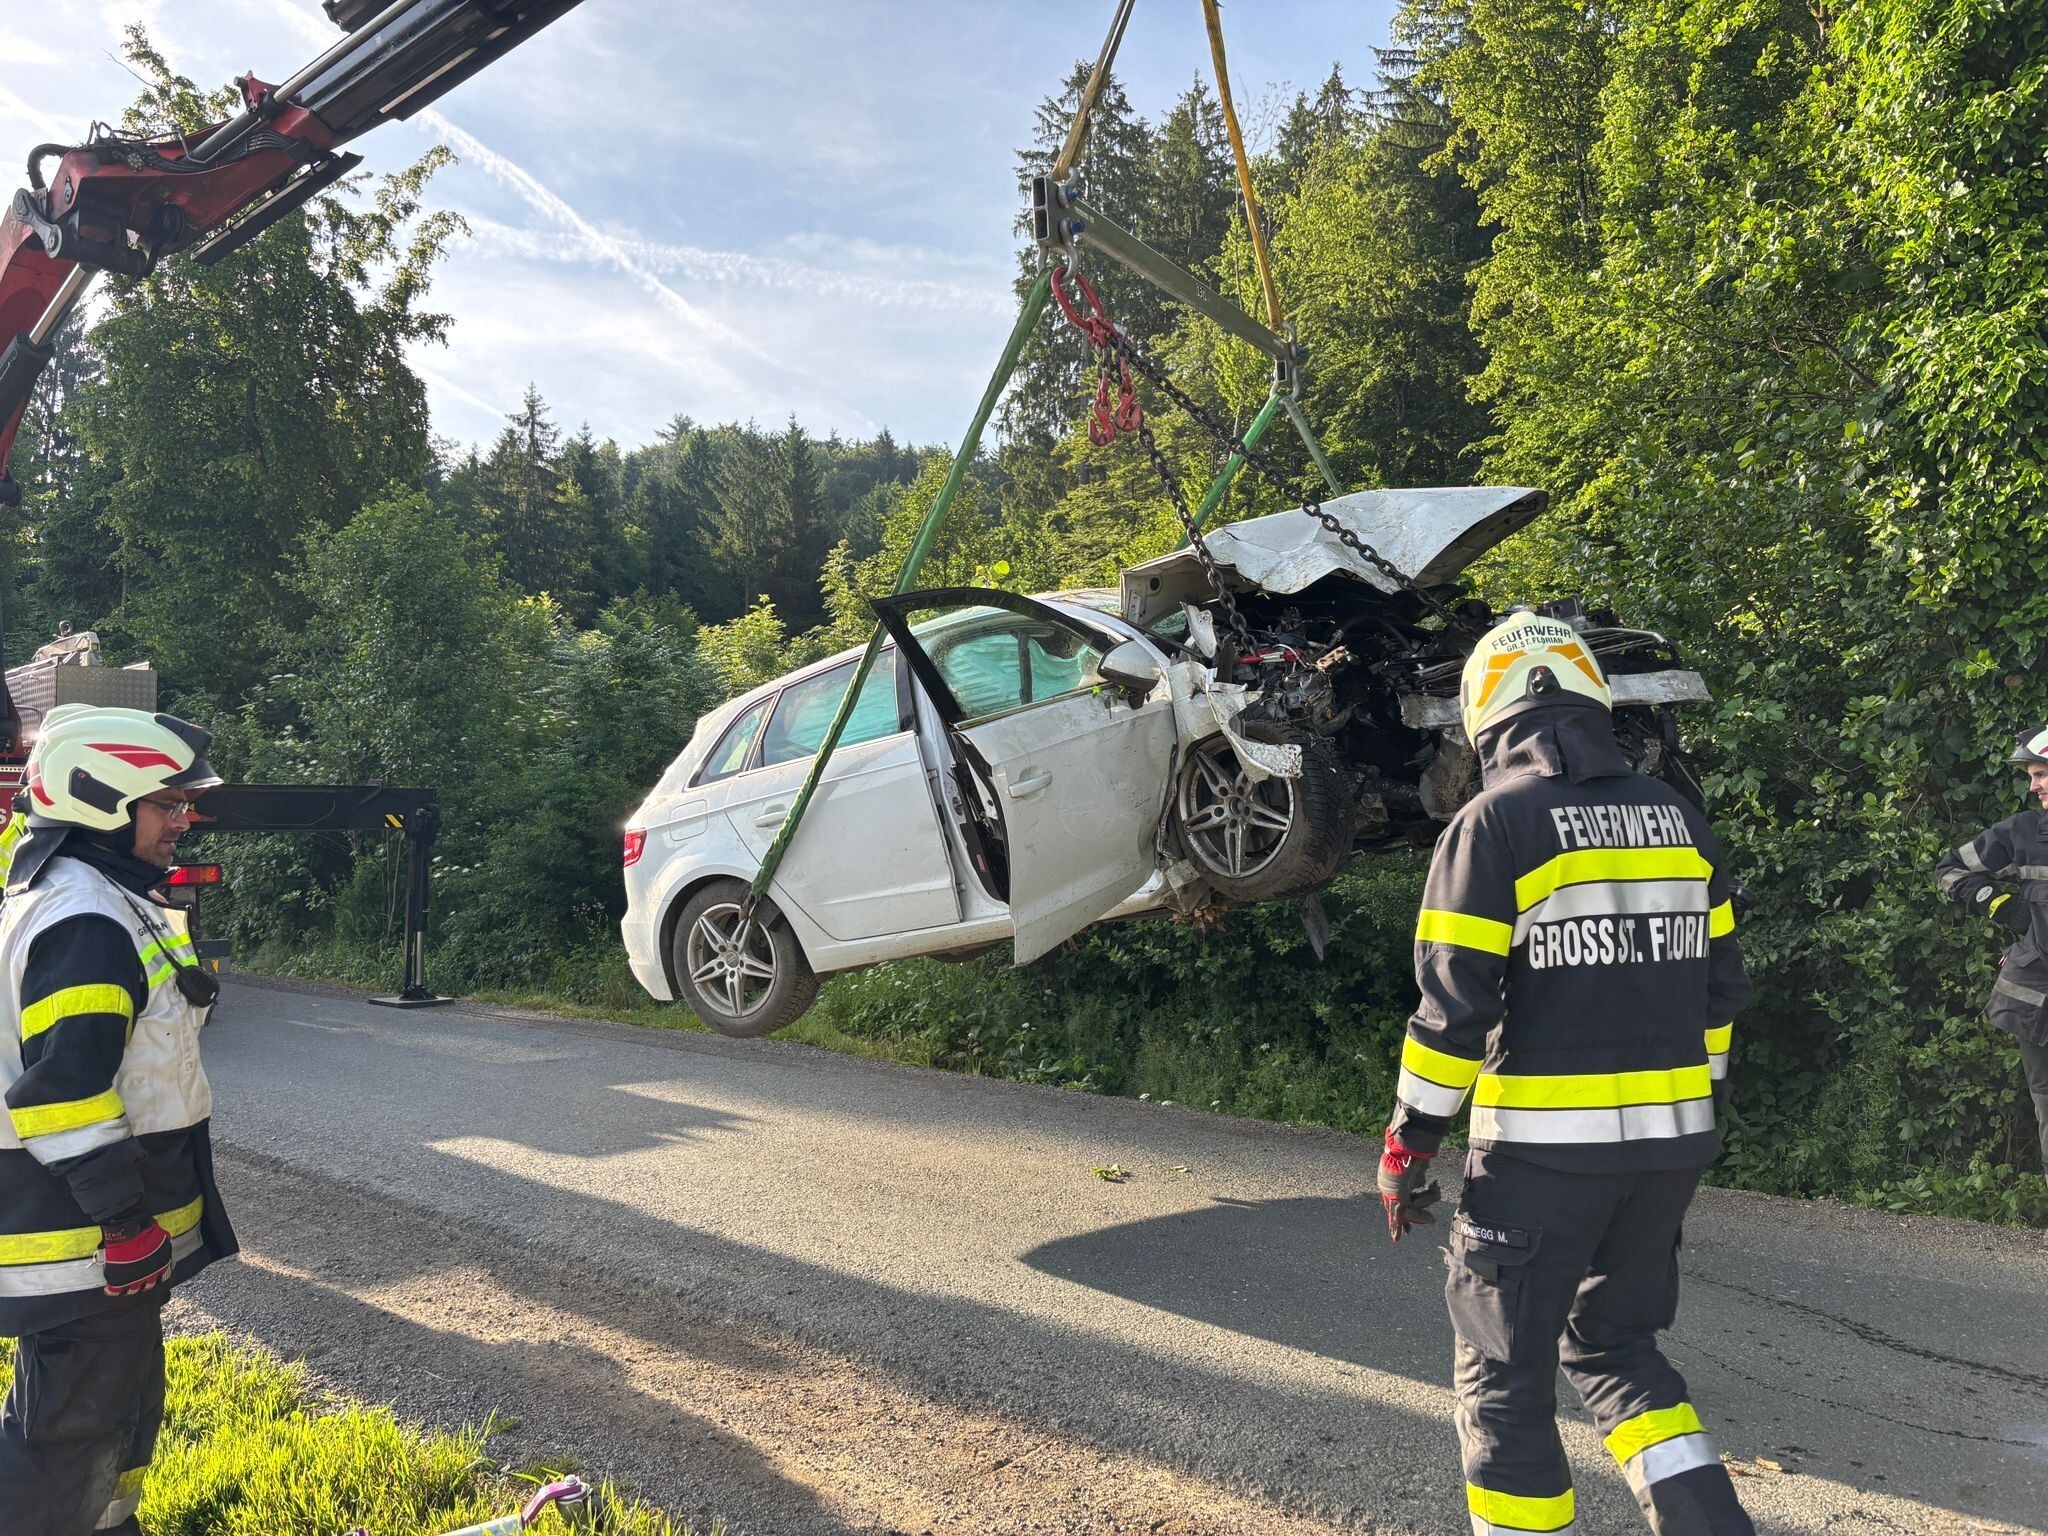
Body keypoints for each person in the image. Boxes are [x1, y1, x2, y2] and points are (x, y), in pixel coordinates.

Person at [1376, 612, 1755, 1536]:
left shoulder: (1494, 824)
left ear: (1485, 715)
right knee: (1618, 1349)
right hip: (1668, 1154)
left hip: (1541, 1164)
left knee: (1503, 1384)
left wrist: (1407, 1143)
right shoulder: (1679, 819)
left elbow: (1454, 1013)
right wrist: (1692, 1113)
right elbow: (1721, 997)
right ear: (1592, 697)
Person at [0, 704, 237, 1536]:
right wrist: (127, 1221)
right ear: (99, 799)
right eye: (166, 803)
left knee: (116, 1414)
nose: (186, 817)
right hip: (86, 1246)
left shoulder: (99, 898)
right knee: (67, 1436)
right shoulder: (86, 921)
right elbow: (60, 1089)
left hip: (100, 1252)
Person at [1936, 726, 2048, 1172]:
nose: (2034, 786)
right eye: (2033, 776)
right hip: (2038, 1009)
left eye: (2042, 775)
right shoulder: (2022, 833)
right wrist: (2001, 905)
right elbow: (1951, 870)